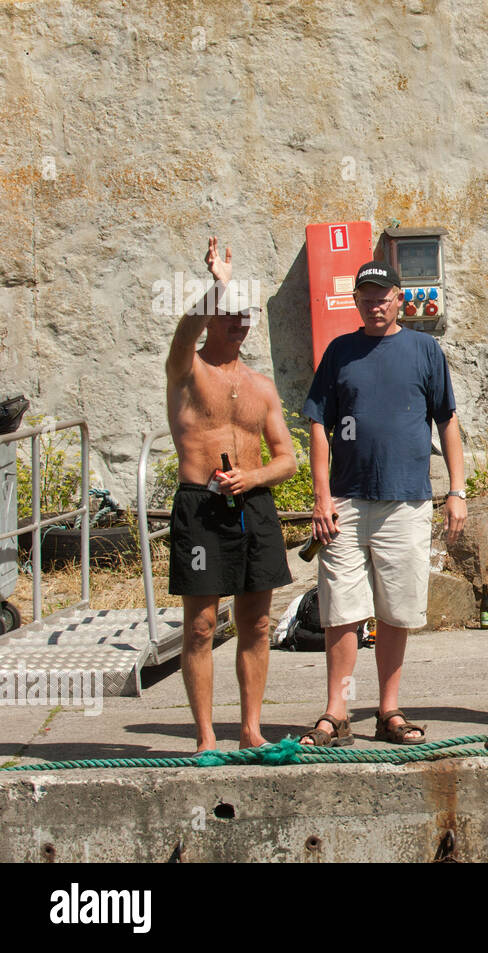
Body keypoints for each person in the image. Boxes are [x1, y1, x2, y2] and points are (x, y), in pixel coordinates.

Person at [298, 259, 467, 746]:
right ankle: (336, 713)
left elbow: (447, 421)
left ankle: (389, 710)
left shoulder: (424, 349)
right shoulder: (339, 353)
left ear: (399, 299)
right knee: (341, 609)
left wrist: (456, 491)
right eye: (366, 297)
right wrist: (321, 496)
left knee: (397, 608)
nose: (375, 304)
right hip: (346, 503)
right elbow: (318, 425)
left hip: (407, 500)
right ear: (357, 302)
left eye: (383, 296)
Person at [165, 237, 297, 751]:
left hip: (254, 507)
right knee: (200, 628)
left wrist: (254, 477)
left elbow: (287, 458)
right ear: (213, 318)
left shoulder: (262, 386)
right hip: (201, 508)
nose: (239, 323)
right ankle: (203, 738)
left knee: (257, 623)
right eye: (229, 314)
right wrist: (216, 286)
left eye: (246, 315)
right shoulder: (187, 369)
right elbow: (184, 332)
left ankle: (250, 731)